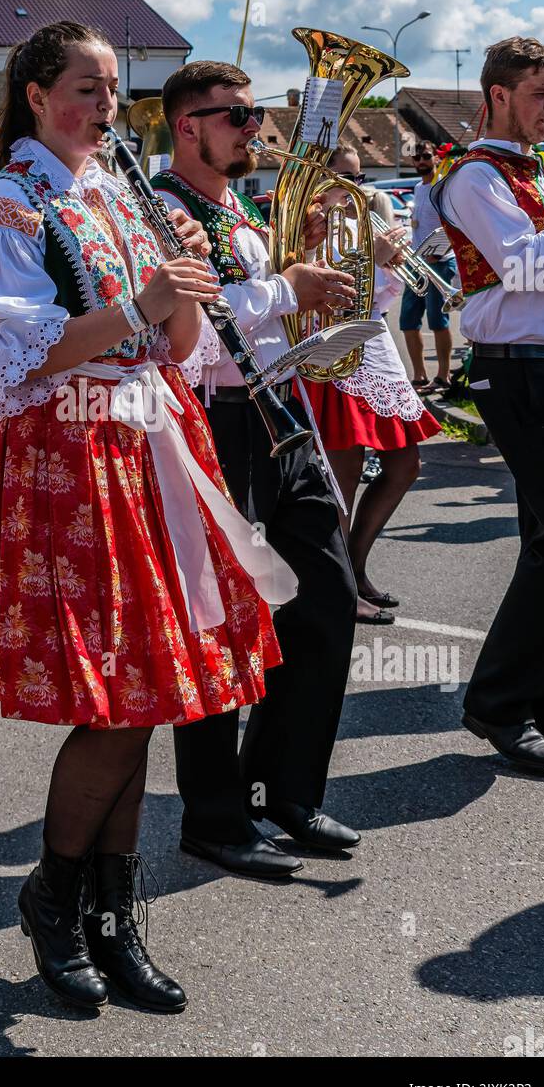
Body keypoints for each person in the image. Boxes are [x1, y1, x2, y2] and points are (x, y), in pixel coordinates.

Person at [0, 20, 291, 1013]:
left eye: (110, 90)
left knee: (147, 690)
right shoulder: (11, 203)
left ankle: (105, 912)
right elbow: (7, 356)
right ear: (38, 94)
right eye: (86, 90)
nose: (104, 108)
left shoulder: (119, 193)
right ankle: (58, 898)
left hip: (147, 445)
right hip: (69, 455)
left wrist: (179, 283)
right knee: (116, 699)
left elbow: (179, 346)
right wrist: (137, 305)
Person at [151, 61, 362, 873]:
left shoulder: (237, 209)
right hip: (215, 427)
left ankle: (287, 791)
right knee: (224, 621)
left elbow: (257, 315)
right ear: (188, 126)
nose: (252, 128)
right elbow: (188, 336)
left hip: (278, 420)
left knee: (326, 602)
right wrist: (282, 288)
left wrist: (304, 293)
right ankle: (213, 814)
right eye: (234, 116)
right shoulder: (162, 212)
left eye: (254, 114)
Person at [431, 36, 544, 771]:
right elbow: (523, 268)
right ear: (496, 94)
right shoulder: (476, 178)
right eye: (538, 94)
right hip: (515, 371)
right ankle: (498, 702)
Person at [305, 145, 441, 623]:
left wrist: (387, 262)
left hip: (375, 350)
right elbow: (327, 295)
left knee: (405, 465)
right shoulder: (306, 228)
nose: (356, 192)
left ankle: (355, 568)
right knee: (342, 480)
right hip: (337, 353)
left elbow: (381, 298)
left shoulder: (355, 223)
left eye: (359, 180)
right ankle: (338, 589)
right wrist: (374, 260)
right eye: (346, 180)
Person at [400, 143, 458, 392]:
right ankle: (419, 375)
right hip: (416, 262)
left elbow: (455, 224)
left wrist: (439, 251)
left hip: (440, 262)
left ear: (436, 157)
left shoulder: (443, 186)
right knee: (407, 321)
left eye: (425, 156)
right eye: (416, 157)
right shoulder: (418, 187)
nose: (421, 161)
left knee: (437, 321)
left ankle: (443, 376)